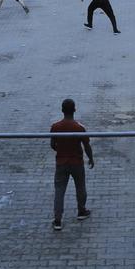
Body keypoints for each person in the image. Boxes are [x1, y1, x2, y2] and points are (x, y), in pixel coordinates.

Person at [49, 98, 93, 232]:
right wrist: (91, 158)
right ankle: (81, 211)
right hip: (77, 162)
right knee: (80, 187)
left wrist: (61, 151)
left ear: (62, 110)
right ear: (75, 110)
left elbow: (52, 145)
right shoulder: (79, 127)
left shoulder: (55, 127)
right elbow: (86, 145)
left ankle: (57, 220)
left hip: (61, 163)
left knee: (59, 190)